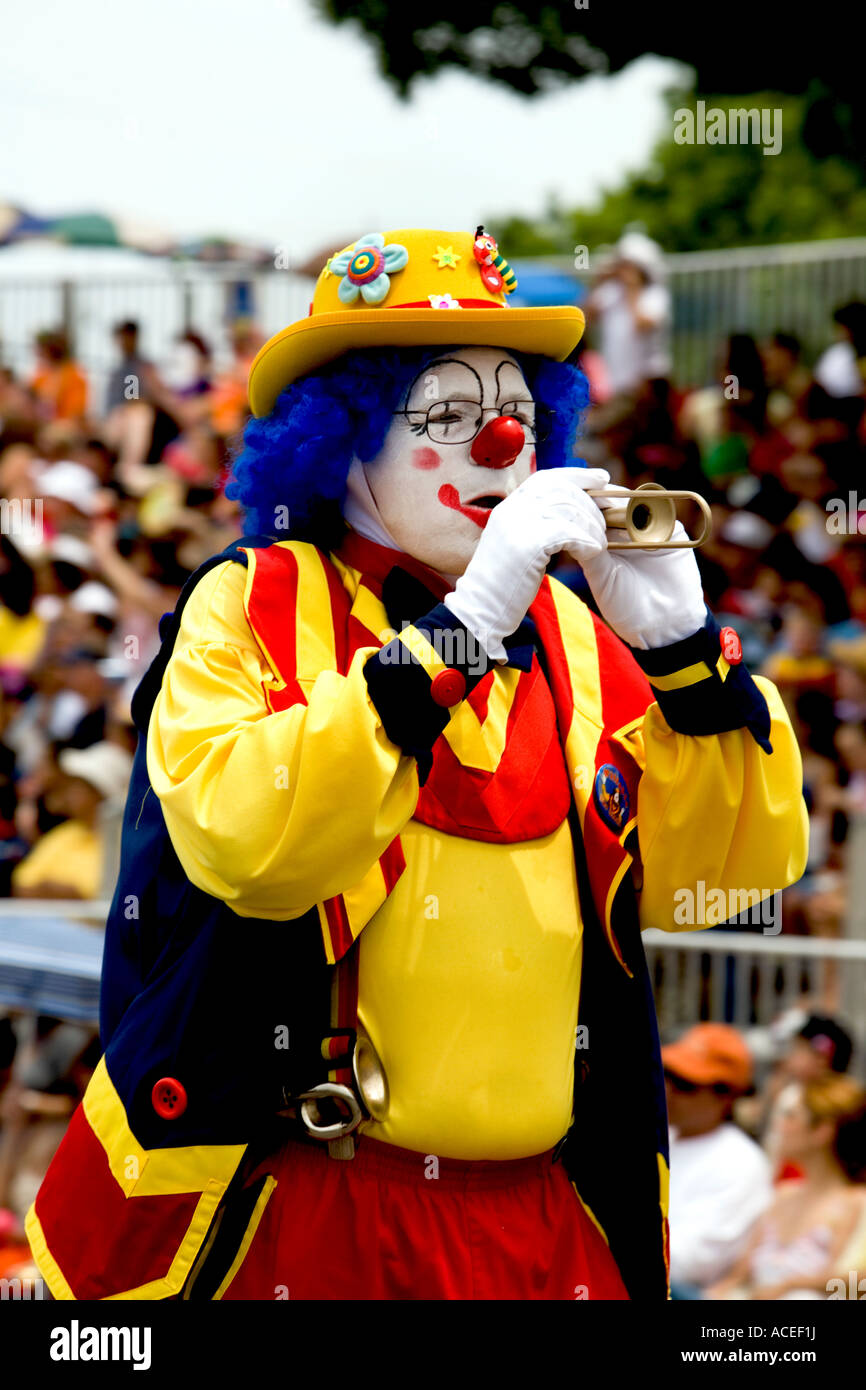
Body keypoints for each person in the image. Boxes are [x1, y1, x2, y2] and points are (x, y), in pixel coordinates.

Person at [27, 226, 808, 1302]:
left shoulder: (576, 639)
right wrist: (462, 626)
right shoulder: (251, 603)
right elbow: (254, 848)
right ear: (339, 440)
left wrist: (682, 662)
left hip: (545, 1222)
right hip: (313, 1208)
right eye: (444, 414)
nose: (499, 439)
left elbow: (720, 876)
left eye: (517, 410)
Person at [707, 1074, 866, 1299]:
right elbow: (737, 1278)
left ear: (822, 1131)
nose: (779, 1125)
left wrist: (790, 1285)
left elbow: (856, 1286)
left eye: (790, 1116)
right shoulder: (782, 1194)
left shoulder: (858, 1203)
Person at [663, 1025, 773, 1298]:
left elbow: (691, 1264)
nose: (668, 1091)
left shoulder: (741, 1162)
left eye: (685, 1084)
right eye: (667, 1075)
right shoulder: (659, 1137)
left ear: (725, 1096)